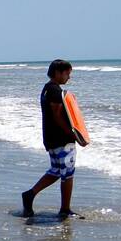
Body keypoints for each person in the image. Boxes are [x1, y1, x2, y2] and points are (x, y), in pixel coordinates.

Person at [22, 59, 80, 219]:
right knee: (67, 173)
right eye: (67, 73)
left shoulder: (46, 89)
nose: (69, 77)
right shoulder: (55, 91)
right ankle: (65, 209)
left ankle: (30, 194)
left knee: (56, 170)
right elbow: (57, 116)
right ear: (58, 73)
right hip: (62, 139)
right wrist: (72, 133)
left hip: (50, 137)